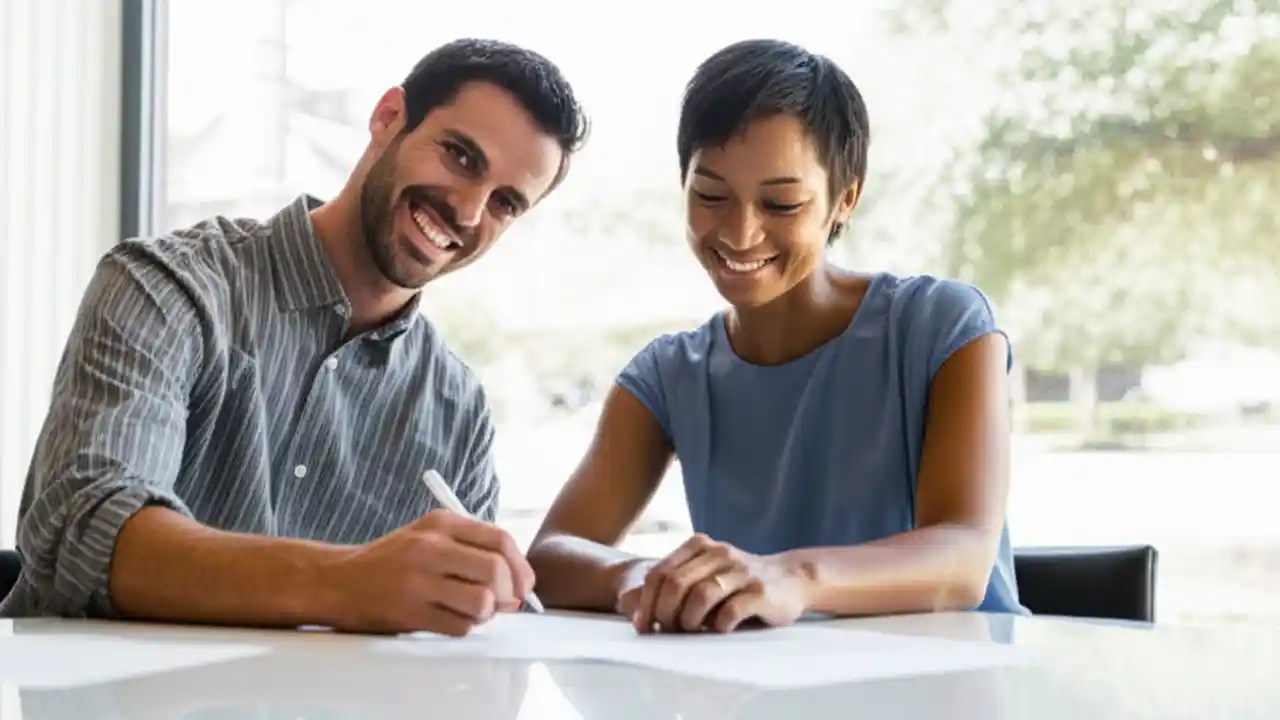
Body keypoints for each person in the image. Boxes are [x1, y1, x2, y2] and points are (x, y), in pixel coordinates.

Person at [1, 38, 588, 637]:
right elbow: (85, 534)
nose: (469, 211)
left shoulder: (457, 410)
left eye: (506, 204)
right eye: (461, 157)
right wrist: (351, 581)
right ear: (389, 119)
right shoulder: (169, 288)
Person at [527, 39, 1025, 634]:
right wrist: (639, 576)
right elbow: (553, 555)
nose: (740, 233)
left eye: (781, 203)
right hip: (771, 688)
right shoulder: (666, 376)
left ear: (845, 200)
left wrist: (792, 575)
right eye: (710, 196)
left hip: (953, 683)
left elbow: (965, 557)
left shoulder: (943, 326)